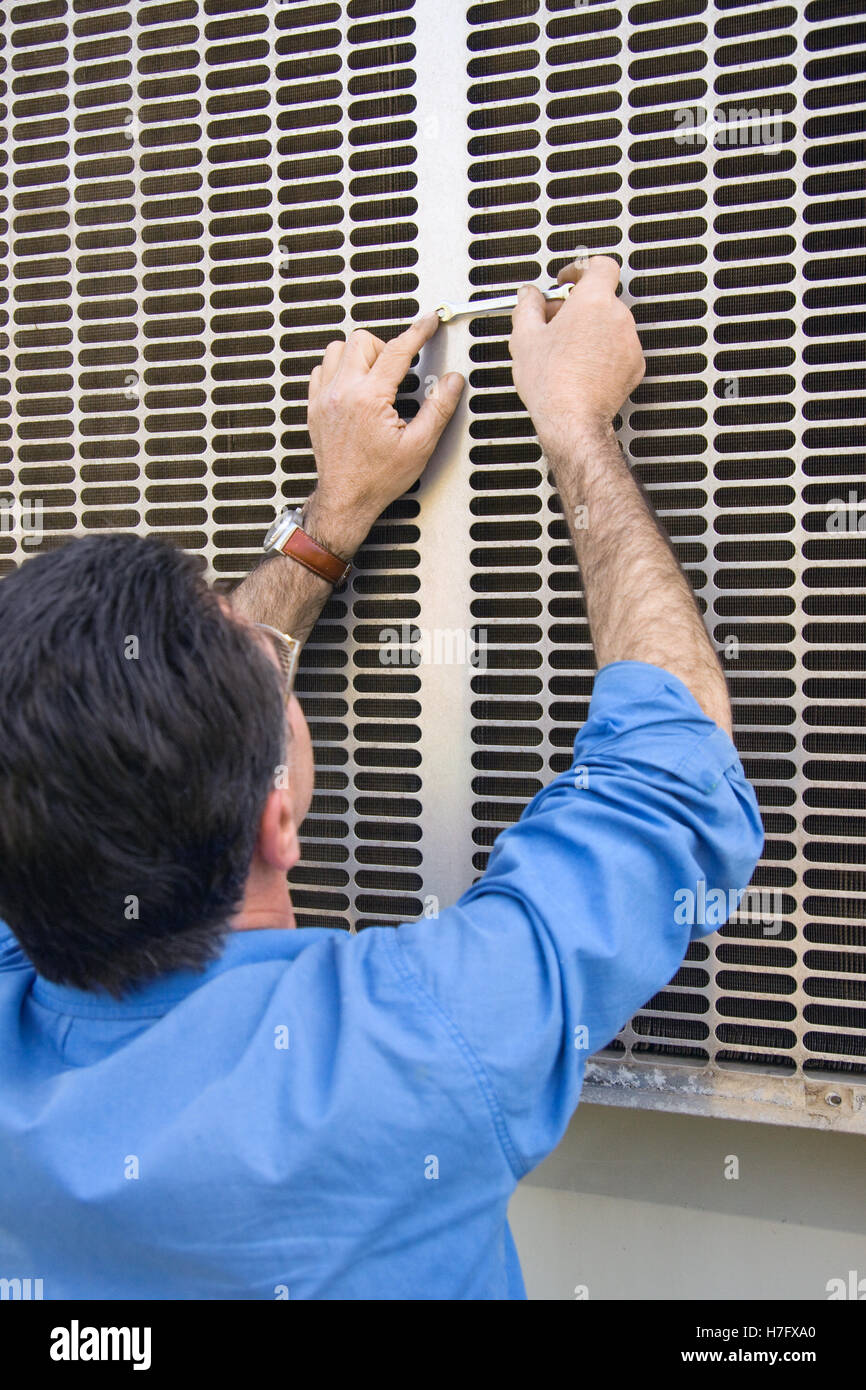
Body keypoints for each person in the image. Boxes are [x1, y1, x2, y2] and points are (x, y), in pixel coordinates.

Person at [0, 258, 763, 1300]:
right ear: (276, 823)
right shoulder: (416, 1049)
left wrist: (331, 516)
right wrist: (577, 425)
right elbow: (673, 766)